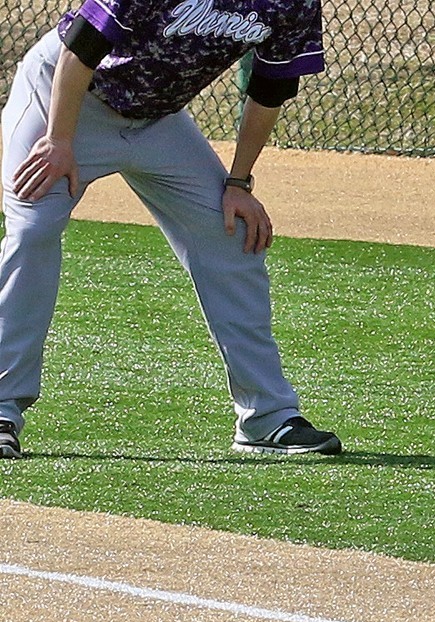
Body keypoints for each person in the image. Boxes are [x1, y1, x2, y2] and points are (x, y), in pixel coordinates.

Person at [0, 0, 341, 459]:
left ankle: (268, 417)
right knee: (33, 229)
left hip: (158, 121)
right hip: (66, 97)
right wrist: (59, 140)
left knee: (232, 234)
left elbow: (270, 87)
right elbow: (80, 48)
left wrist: (238, 183)